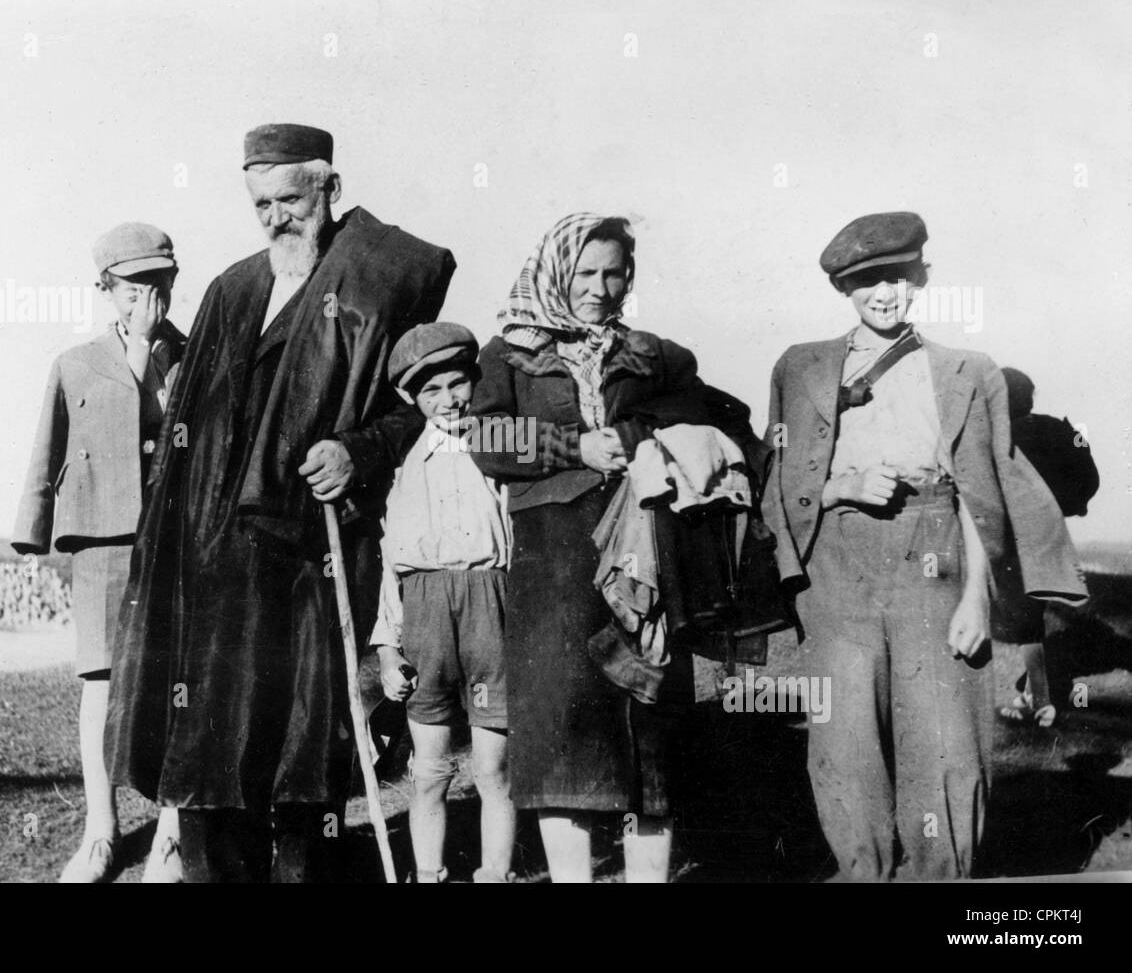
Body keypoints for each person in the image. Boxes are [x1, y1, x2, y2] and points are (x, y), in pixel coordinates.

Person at [103, 123, 456, 882]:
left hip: (316, 558)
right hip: (217, 562)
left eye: (289, 199)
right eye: (260, 203)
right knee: (211, 743)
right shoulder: (233, 289)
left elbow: (424, 403)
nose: (274, 218)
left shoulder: (385, 274)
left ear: (328, 187)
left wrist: (356, 450)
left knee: (303, 743)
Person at [760, 211, 1088, 881]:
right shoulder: (800, 368)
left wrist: (975, 599)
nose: (884, 293)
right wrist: (839, 485)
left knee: (944, 744)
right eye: (866, 282)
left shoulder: (969, 370)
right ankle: (865, 872)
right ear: (842, 291)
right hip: (836, 568)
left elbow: (982, 490)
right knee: (846, 744)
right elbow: (779, 484)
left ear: (922, 277)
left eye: (898, 278)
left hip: (937, 556)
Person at [469, 212, 765, 882]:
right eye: (587, 273)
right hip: (554, 569)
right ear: (556, 272)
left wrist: (637, 441)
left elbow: (711, 420)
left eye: (615, 272)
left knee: (647, 731)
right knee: (559, 738)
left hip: (647, 560)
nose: (602, 287)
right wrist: (572, 446)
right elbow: (486, 440)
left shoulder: (655, 354)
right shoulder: (509, 353)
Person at [12, 222, 186, 882]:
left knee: (175, 691)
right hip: (101, 544)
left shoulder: (197, 358)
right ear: (106, 289)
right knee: (101, 687)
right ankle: (101, 832)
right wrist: (33, 527)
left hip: (174, 544)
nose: (150, 295)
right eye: (135, 285)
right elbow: (46, 449)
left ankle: (170, 835)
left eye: (161, 281)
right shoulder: (75, 363)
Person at [371, 323, 515, 884]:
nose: (448, 400)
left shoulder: (502, 446)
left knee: (492, 769)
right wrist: (387, 650)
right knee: (430, 770)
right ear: (411, 398)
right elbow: (389, 564)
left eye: (458, 384)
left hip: (490, 604)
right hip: (425, 610)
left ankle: (494, 873)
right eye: (432, 391)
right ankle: (427, 873)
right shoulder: (403, 463)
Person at [994, 367, 1100, 727]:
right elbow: (1089, 475)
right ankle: (1034, 696)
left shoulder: (995, 435)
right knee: (1029, 618)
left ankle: (1037, 698)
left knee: (1020, 620)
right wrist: (1067, 505)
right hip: (1045, 535)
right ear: (1030, 397)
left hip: (1005, 538)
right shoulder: (1058, 428)